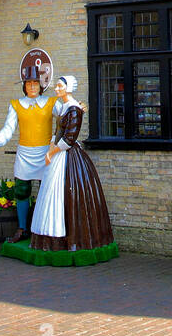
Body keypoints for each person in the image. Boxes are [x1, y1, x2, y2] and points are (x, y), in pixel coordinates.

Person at [29, 75, 114, 252]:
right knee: (51, 192)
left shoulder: (74, 109)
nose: (57, 89)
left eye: (60, 86)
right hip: (57, 155)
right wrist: (50, 148)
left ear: (68, 87)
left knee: (66, 193)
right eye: (57, 86)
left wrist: (51, 152)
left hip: (67, 156)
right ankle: (50, 237)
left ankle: (73, 238)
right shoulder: (63, 107)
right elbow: (58, 131)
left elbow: (69, 139)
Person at [0, 63, 55, 243]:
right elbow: (8, 128)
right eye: (28, 83)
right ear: (24, 86)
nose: (32, 86)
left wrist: (77, 106)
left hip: (45, 152)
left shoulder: (51, 102)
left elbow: (67, 113)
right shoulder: (16, 105)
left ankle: (44, 229)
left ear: (41, 85)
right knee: (22, 190)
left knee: (47, 190)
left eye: (35, 83)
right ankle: (22, 228)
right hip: (25, 153)